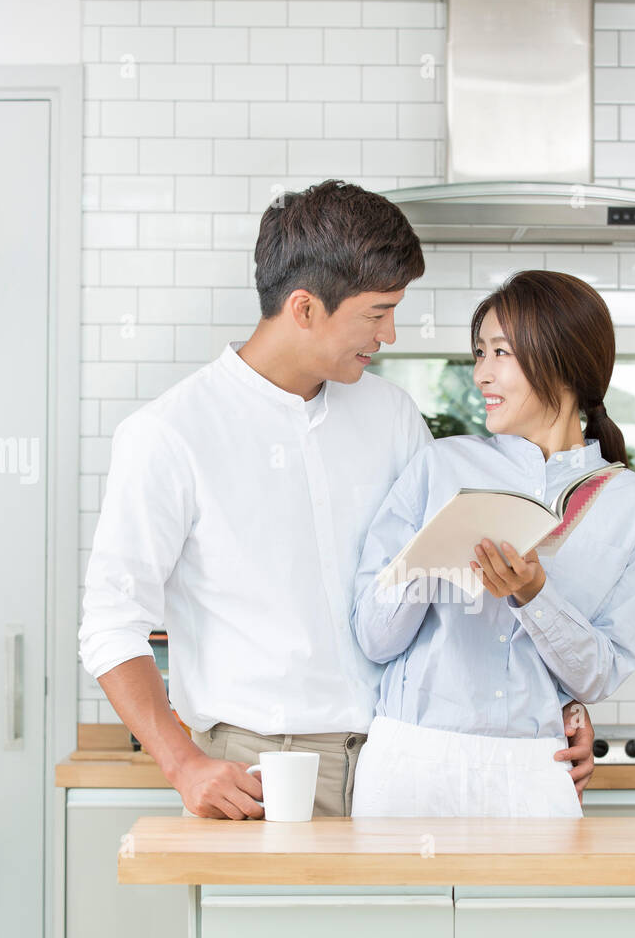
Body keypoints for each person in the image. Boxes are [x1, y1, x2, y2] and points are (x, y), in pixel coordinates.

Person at [78, 183, 597, 819]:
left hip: (408, 760)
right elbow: (109, 624)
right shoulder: (169, 434)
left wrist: (560, 706)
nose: (392, 334)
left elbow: (453, 585)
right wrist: (183, 763)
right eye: (377, 313)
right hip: (264, 772)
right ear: (304, 309)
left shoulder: (391, 415)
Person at [350, 270, 635, 819]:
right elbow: (374, 639)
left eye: (500, 352)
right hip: (410, 756)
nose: (481, 374)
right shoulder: (440, 466)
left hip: (534, 769)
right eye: (480, 353)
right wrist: (432, 559)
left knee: (524, 910)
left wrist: (535, 596)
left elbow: (597, 675)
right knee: (397, 907)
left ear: (564, 359)